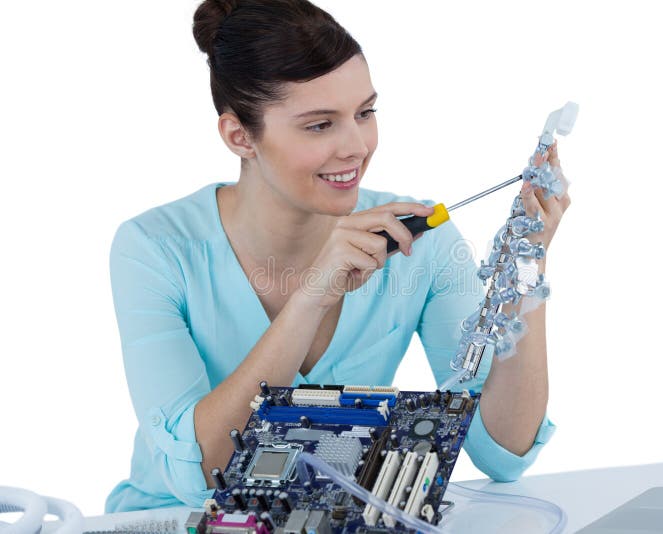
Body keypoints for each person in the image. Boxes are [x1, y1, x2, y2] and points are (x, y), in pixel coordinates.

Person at [105, 0, 570, 512]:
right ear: (240, 137)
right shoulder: (154, 248)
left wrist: (527, 268)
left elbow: (501, 450)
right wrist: (312, 297)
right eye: (319, 125)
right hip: (175, 519)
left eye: (365, 113)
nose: (356, 146)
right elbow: (198, 477)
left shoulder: (420, 241)